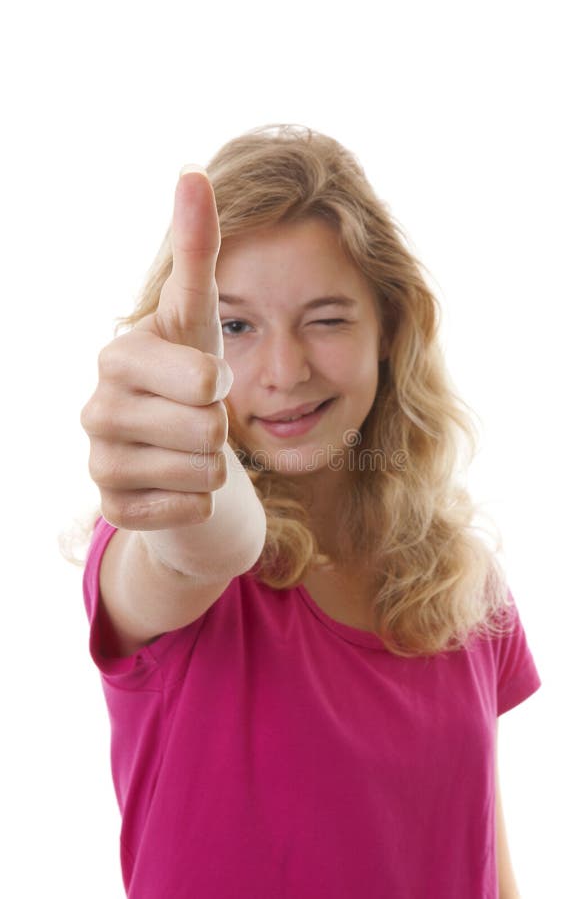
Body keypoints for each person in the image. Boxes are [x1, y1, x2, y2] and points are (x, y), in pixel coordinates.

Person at [79, 123, 541, 898]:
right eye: (235, 327)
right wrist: (195, 487)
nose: (284, 371)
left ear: (390, 328)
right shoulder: (161, 534)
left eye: (326, 320)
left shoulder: (467, 580)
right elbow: (197, 545)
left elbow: (483, 857)